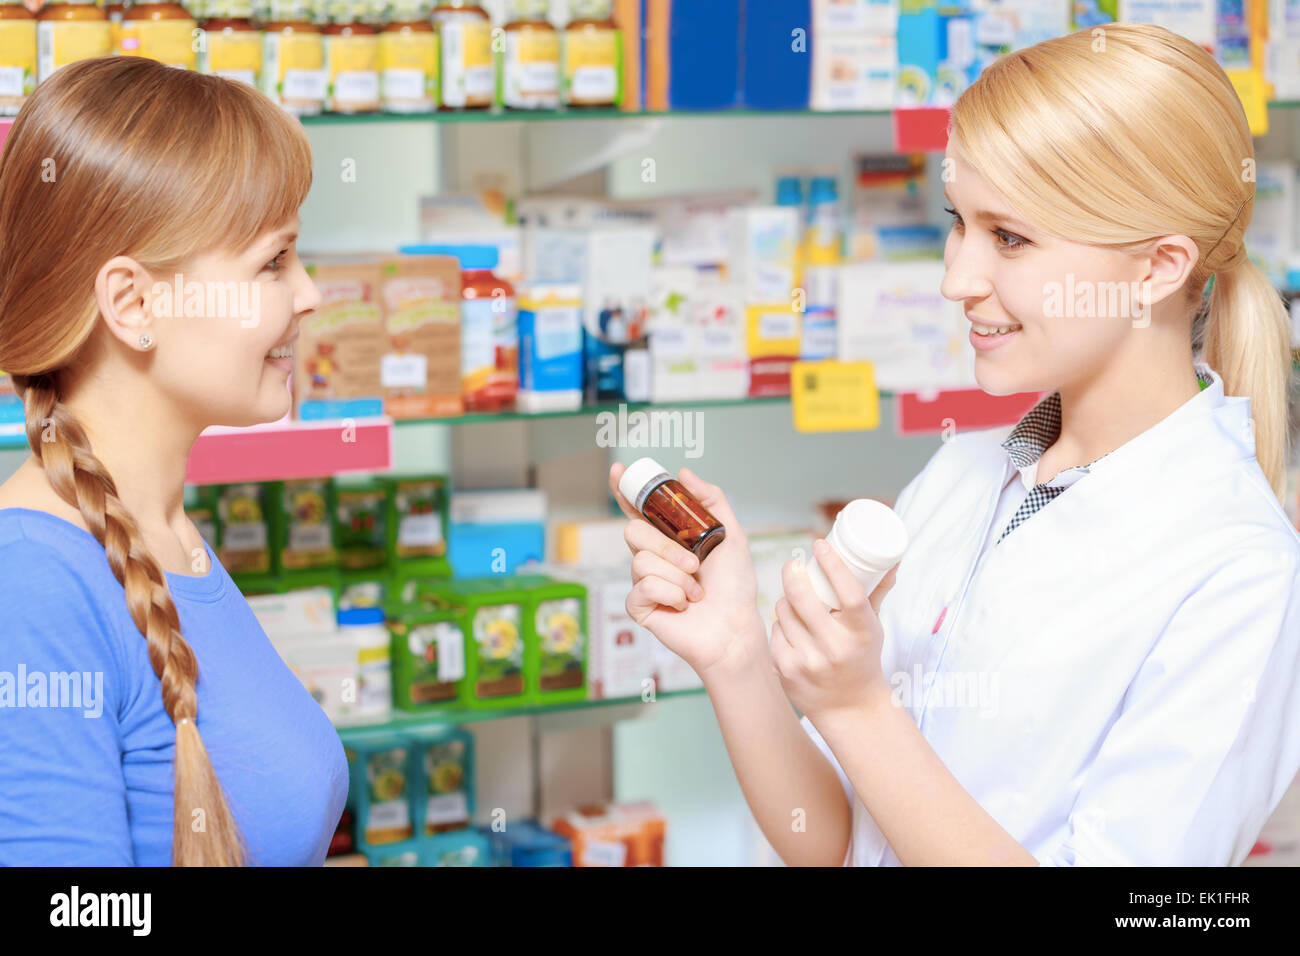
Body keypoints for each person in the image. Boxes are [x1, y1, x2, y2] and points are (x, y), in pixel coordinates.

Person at [610, 23, 1300, 866]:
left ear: (1156, 268)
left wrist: (860, 707)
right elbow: (828, 840)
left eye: (1009, 237)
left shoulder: (1239, 574)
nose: (955, 278)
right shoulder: (965, 474)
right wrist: (737, 654)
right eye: (958, 223)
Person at [0, 56, 345, 865]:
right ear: (133, 303)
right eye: (273, 262)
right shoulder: (34, 588)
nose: (310, 295)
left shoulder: (162, 530)